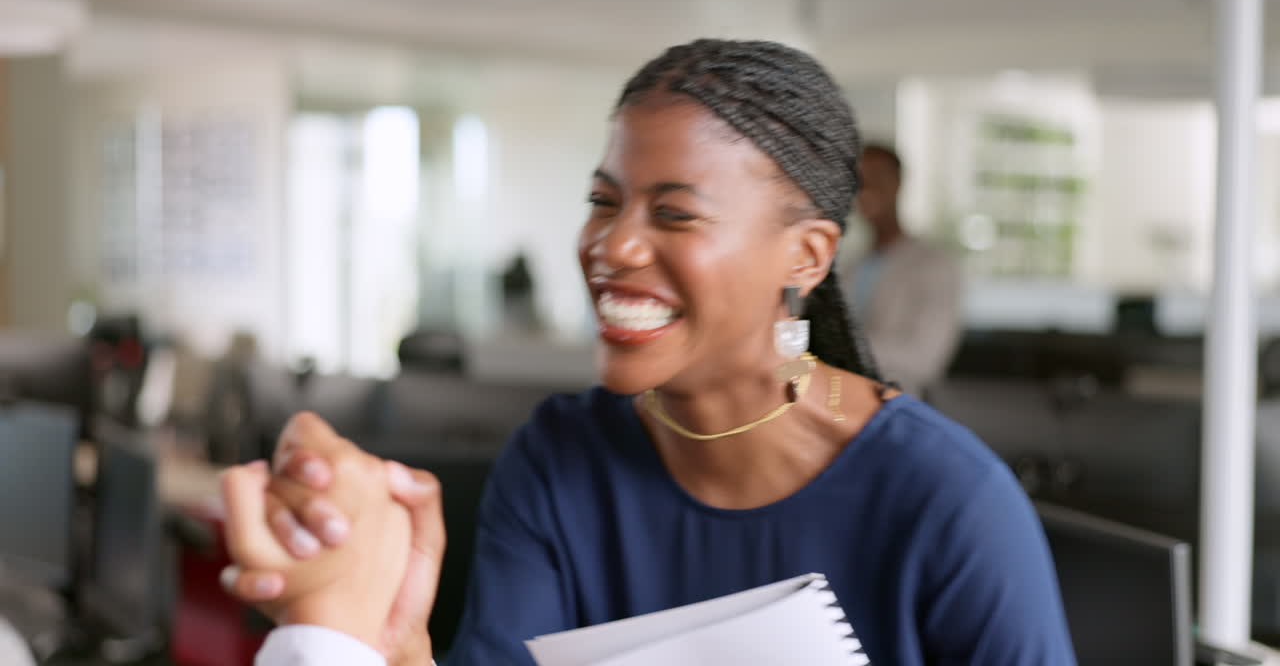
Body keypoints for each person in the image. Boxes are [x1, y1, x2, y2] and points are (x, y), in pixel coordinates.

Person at [221, 39, 1076, 666]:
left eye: (673, 214)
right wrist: (391, 636)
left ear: (807, 256)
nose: (612, 246)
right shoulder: (559, 459)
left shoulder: (948, 500)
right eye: (605, 202)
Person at [840, 143, 963, 396]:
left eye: (877, 178)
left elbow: (924, 358)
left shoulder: (934, 264)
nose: (866, 189)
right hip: (837, 399)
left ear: (898, 184)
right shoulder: (850, 264)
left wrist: (838, 344)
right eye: (859, 182)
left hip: (894, 403)